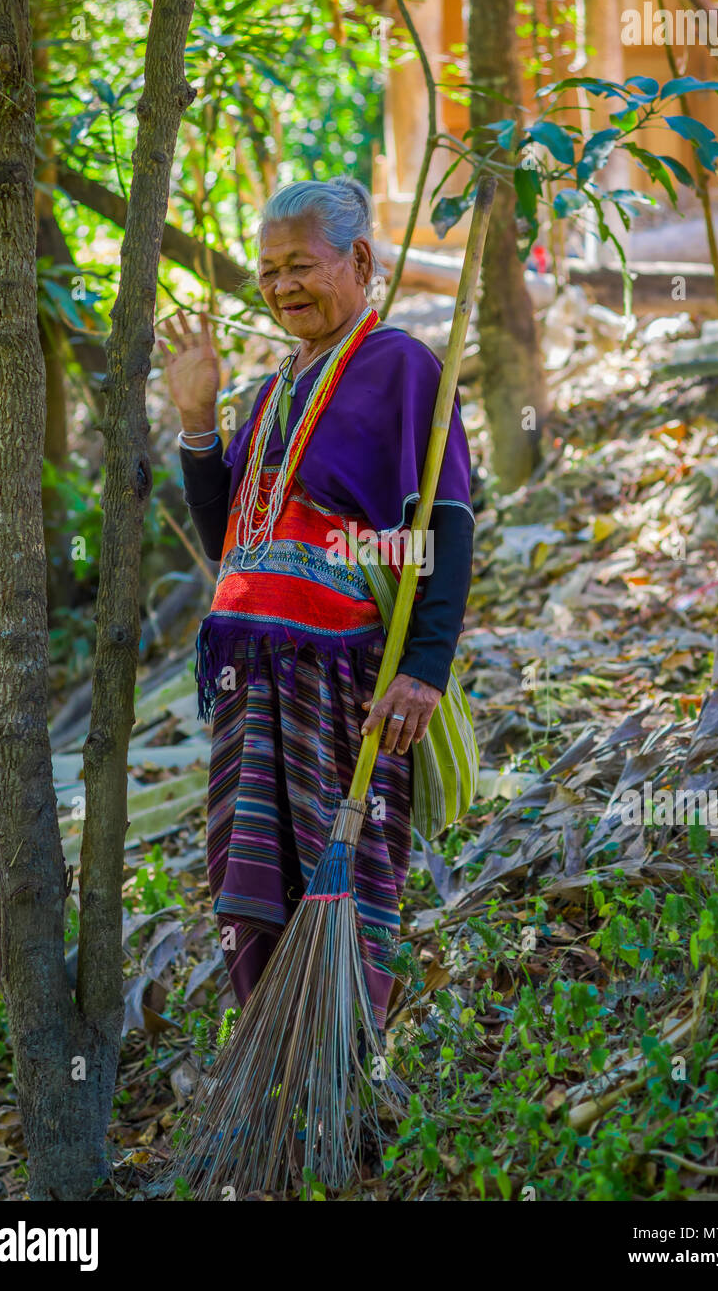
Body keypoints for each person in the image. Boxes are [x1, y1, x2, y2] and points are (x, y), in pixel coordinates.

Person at [160, 176, 474, 1028]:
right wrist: (198, 422)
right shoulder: (265, 394)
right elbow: (232, 536)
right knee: (250, 882)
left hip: (344, 681)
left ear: (360, 261)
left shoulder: (404, 369)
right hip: (247, 682)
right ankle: (275, 1068)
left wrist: (424, 671)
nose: (281, 286)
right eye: (266, 272)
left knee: (347, 875)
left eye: (300, 265)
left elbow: (442, 525)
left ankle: (349, 1070)